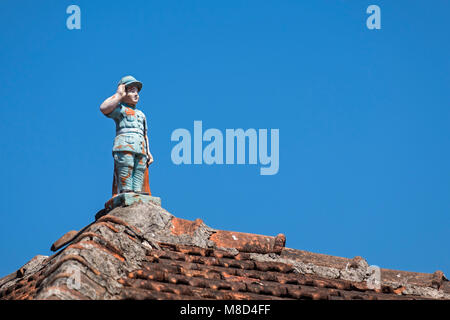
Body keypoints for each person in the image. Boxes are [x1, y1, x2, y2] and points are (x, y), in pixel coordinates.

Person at [100, 75, 154, 195]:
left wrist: (148, 152)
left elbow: (145, 134)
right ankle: (126, 190)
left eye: (137, 92)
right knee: (126, 166)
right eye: (132, 91)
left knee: (139, 169)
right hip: (125, 144)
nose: (136, 95)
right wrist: (119, 94)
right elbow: (104, 108)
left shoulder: (141, 114)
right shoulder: (120, 109)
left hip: (140, 147)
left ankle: (138, 191)